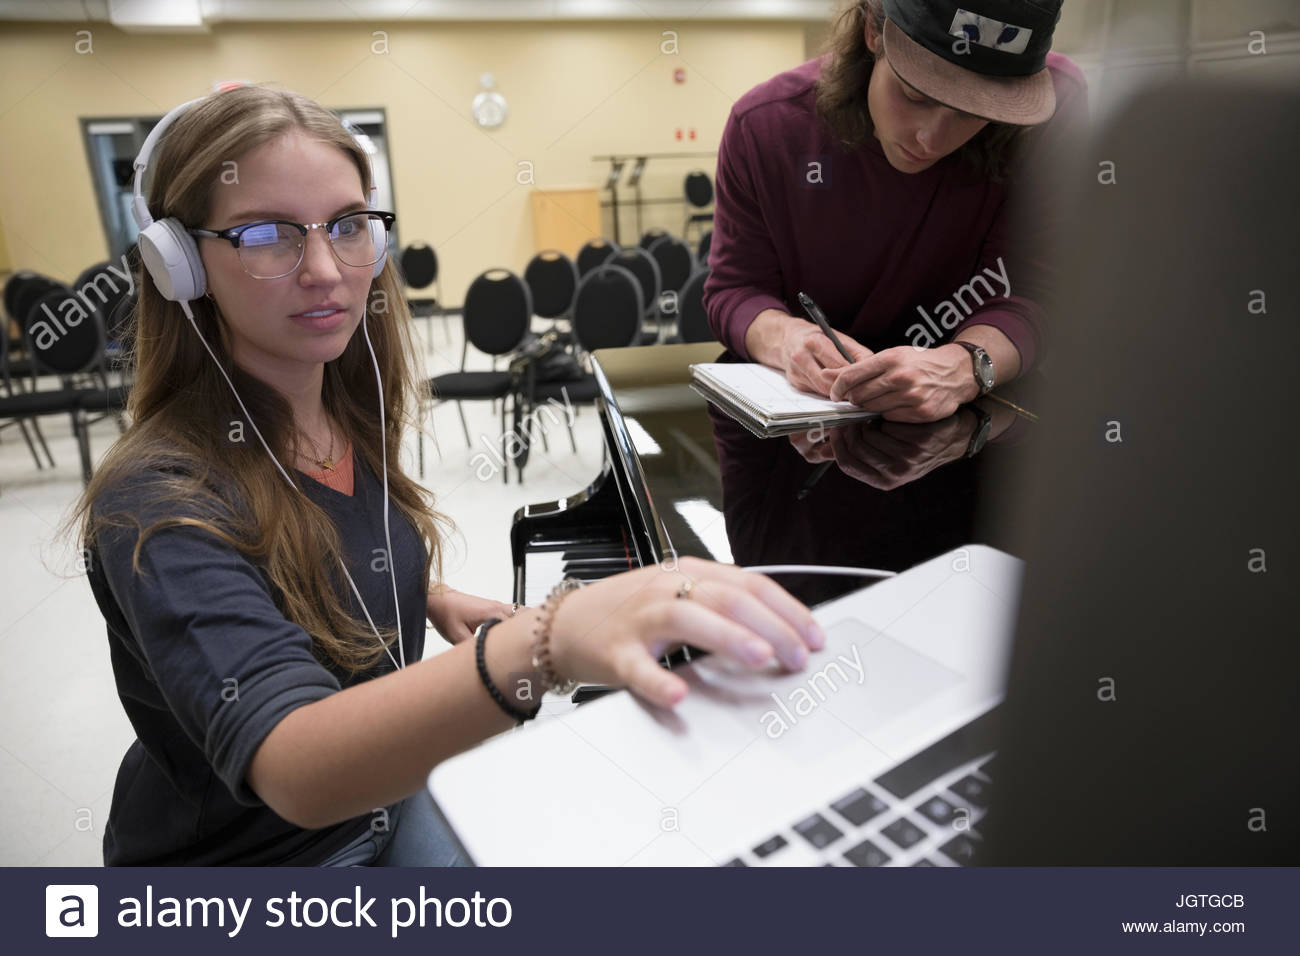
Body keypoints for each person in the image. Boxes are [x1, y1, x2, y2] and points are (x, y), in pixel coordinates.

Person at [66, 85, 823, 866]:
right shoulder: (157, 499)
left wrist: (420, 591)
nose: (326, 269)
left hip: (386, 799)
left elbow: (302, 541)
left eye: (350, 226)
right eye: (266, 234)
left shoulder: (335, 412)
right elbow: (295, 766)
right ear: (180, 266)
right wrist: (549, 639)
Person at [704, 0, 1087, 423]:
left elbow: (1035, 289)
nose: (931, 139)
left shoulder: (1052, 111)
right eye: (915, 95)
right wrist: (787, 337)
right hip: (809, 430)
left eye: (974, 113)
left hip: (969, 434)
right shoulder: (766, 127)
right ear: (873, 29)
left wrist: (964, 366)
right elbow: (735, 288)